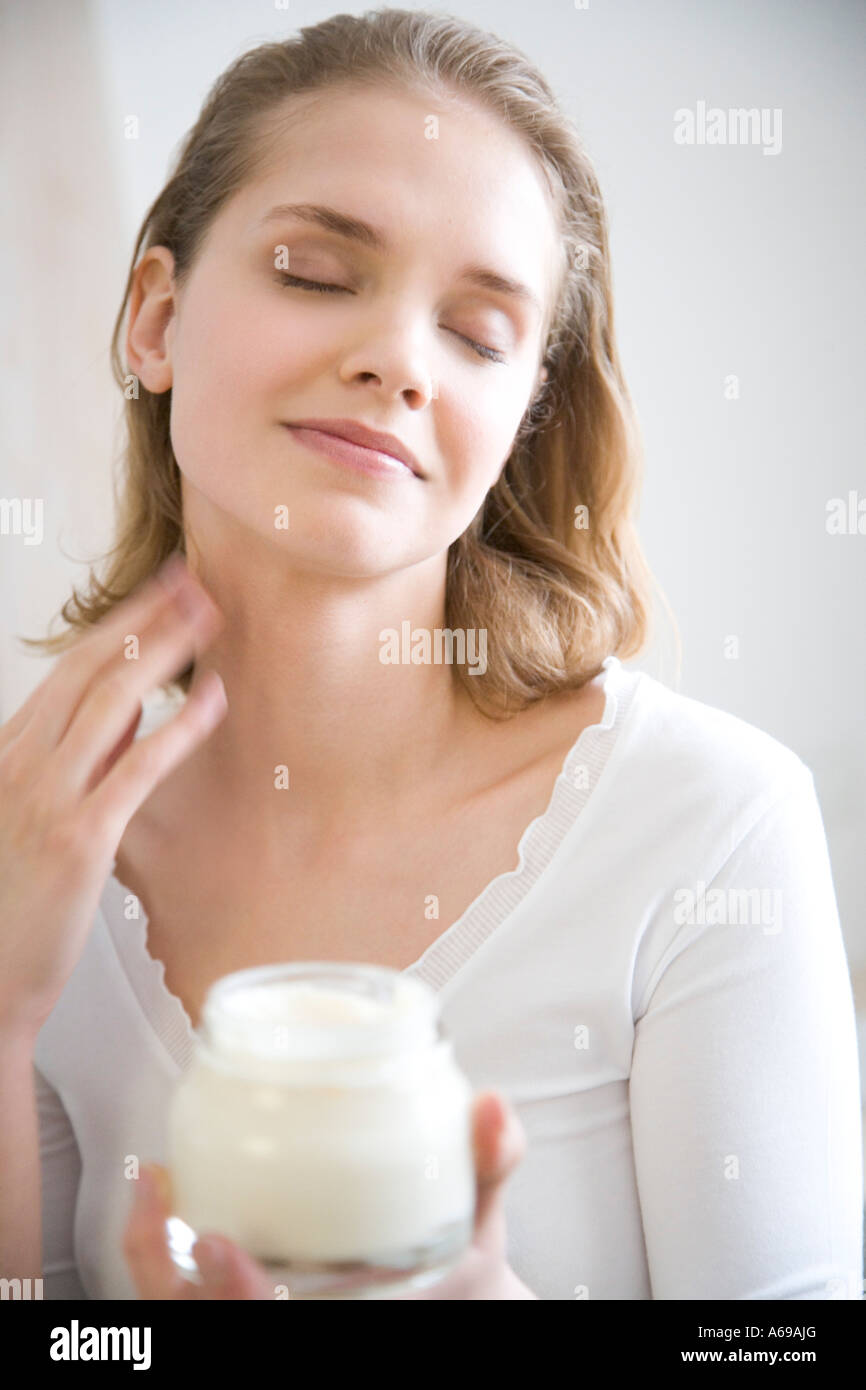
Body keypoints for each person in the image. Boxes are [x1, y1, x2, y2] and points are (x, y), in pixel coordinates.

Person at [2, 9, 862, 1301]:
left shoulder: (712, 829)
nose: (398, 359)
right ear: (155, 320)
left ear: (515, 426)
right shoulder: (40, 835)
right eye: (314, 268)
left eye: (475, 331)